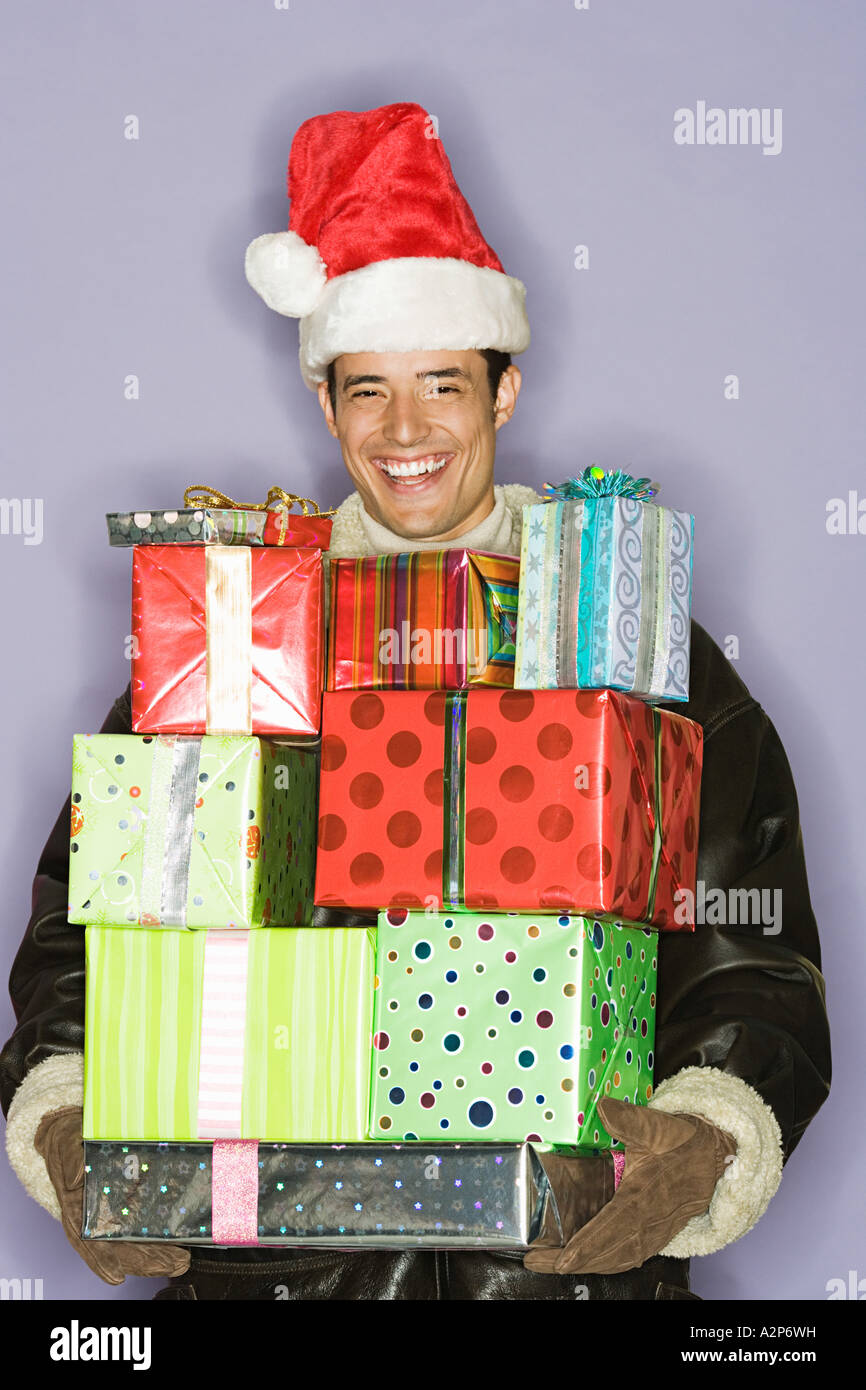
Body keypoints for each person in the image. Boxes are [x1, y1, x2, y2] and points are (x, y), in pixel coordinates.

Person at [1, 102, 830, 1301]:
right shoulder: (236, 625)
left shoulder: (618, 626)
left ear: (502, 391)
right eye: (365, 392)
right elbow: (90, 928)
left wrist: (708, 1136)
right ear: (326, 405)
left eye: (442, 384)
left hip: (558, 1273)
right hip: (274, 1273)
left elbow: (747, 942)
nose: (405, 432)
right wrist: (68, 1122)